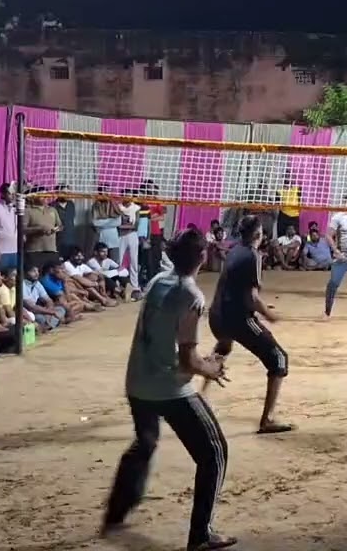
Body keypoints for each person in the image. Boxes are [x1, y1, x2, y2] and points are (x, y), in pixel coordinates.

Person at [103, 229, 236, 551]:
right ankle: (201, 535)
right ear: (203, 257)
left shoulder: (158, 280)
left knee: (145, 442)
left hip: (137, 380)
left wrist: (199, 363)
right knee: (215, 453)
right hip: (168, 387)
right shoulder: (191, 295)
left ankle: (116, 511)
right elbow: (189, 361)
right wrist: (211, 367)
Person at [206, 216, 293, 434]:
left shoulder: (234, 250)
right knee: (279, 359)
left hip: (217, 315)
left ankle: (200, 397)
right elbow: (253, 298)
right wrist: (268, 314)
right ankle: (268, 419)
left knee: (223, 348)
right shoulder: (253, 255)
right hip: (238, 319)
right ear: (258, 234)